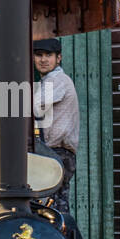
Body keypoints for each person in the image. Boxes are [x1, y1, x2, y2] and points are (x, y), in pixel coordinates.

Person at [32, 37, 79, 213]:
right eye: (39, 55)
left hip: (58, 153)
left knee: (53, 209)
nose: (43, 59)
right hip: (53, 153)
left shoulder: (59, 80)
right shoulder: (47, 82)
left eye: (48, 55)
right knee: (53, 206)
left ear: (58, 58)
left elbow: (33, 106)